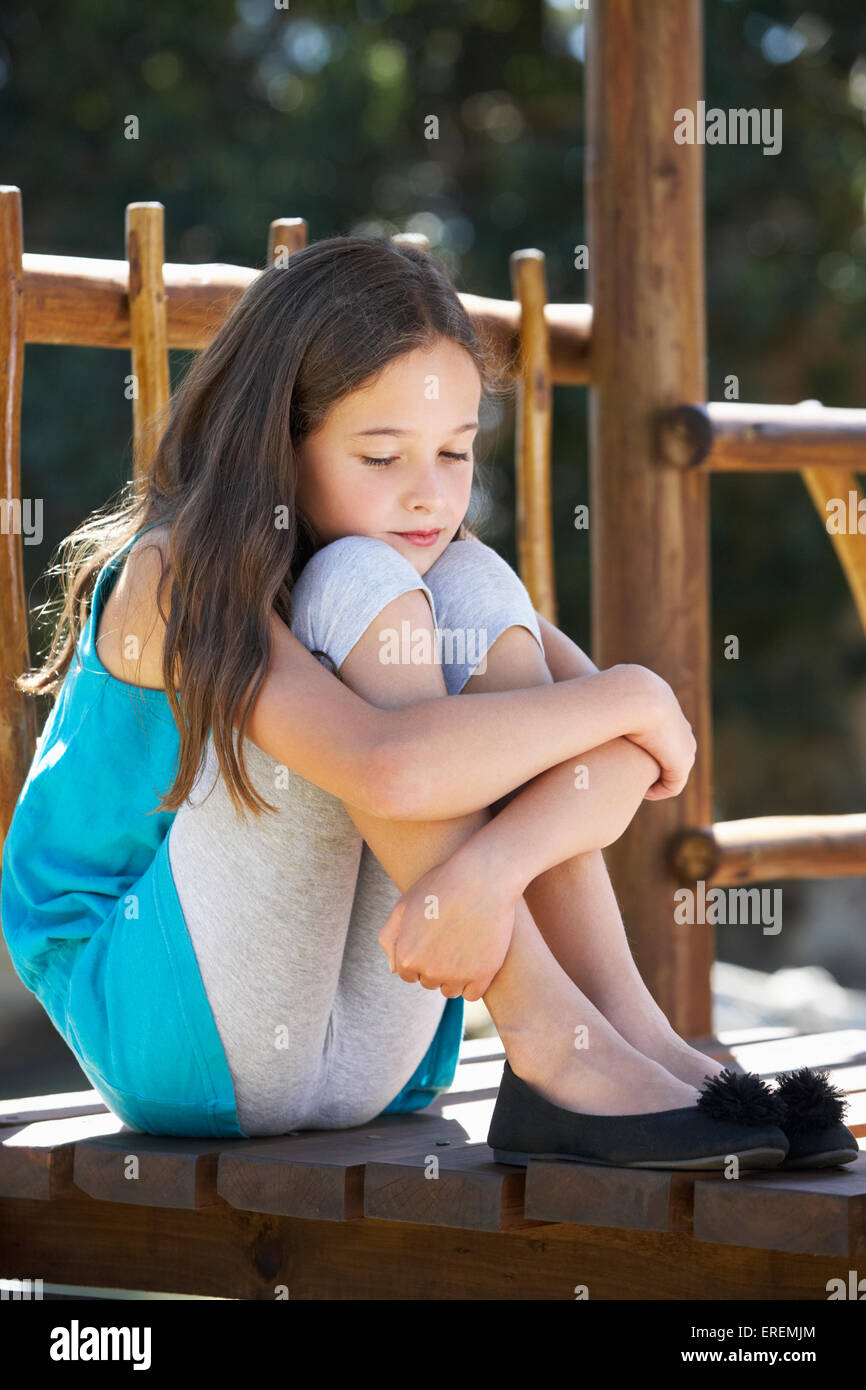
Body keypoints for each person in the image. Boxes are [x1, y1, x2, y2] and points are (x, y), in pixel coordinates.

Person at [1, 234, 792, 1168]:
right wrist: (634, 689)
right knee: (364, 580)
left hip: (375, 1052)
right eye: (381, 458)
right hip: (171, 1029)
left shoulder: (441, 575)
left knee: (470, 574)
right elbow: (391, 766)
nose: (429, 495)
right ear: (279, 447)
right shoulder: (176, 575)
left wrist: (488, 873)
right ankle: (547, 1047)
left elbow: (628, 762)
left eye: (456, 453)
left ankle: (631, 1037)